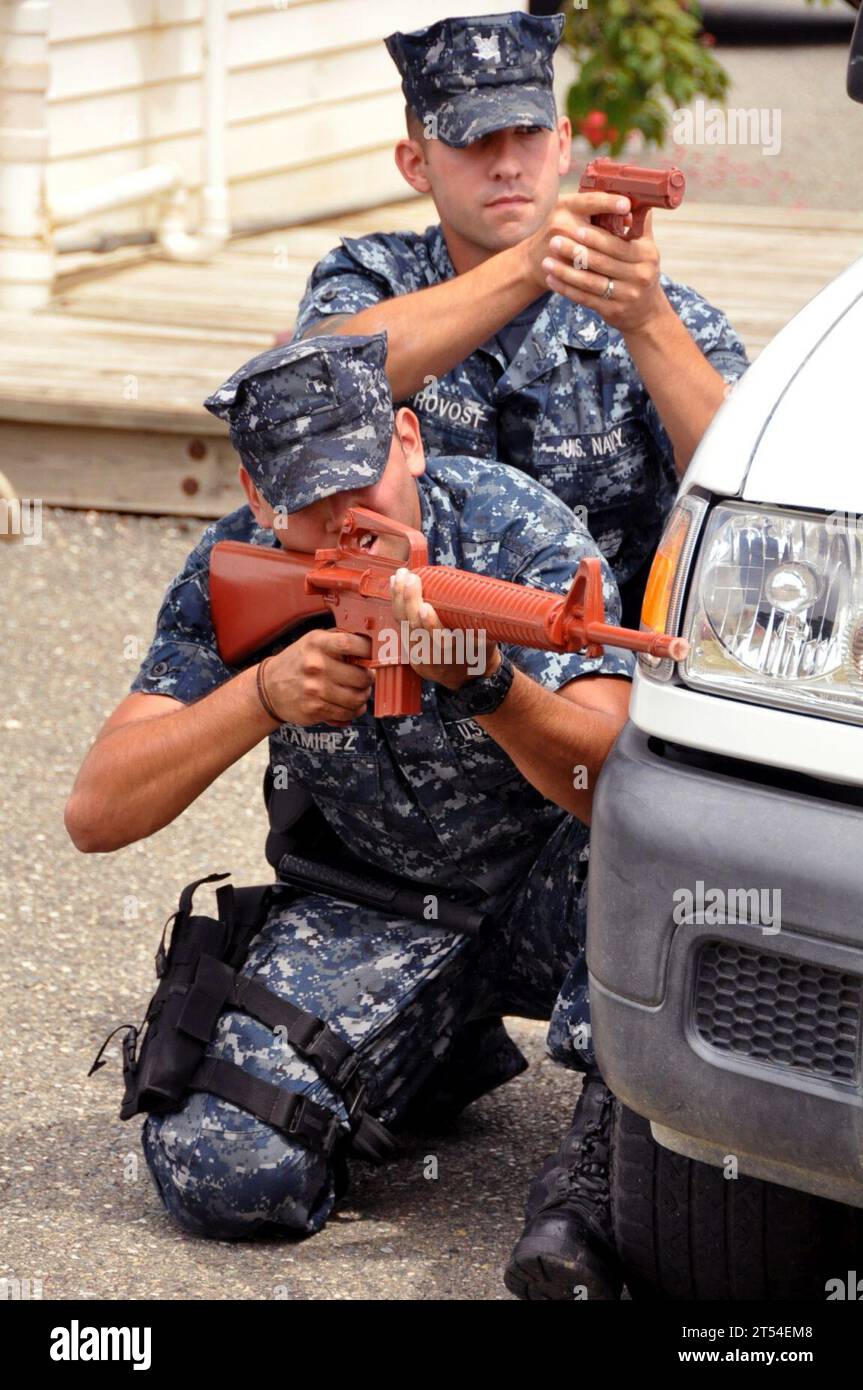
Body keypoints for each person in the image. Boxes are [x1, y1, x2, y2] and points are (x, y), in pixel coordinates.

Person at [65, 332, 634, 1299]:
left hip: (552, 897)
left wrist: (488, 685)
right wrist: (259, 697)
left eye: (361, 483)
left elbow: (612, 782)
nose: (343, 522)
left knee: (655, 861)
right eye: (308, 499)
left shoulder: (511, 534)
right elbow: (96, 810)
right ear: (255, 494)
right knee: (220, 1171)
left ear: (407, 440)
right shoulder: (233, 571)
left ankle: (598, 1169)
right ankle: (437, 1045)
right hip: (374, 907)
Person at [290, 10, 749, 628]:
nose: (506, 164)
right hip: (406, 651)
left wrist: (647, 323)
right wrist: (529, 266)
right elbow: (316, 385)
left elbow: (739, 476)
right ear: (415, 163)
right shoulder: (371, 273)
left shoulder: (658, 308)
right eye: (474, 140)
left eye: (526, 134)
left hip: (596, 673)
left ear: (562, 143)